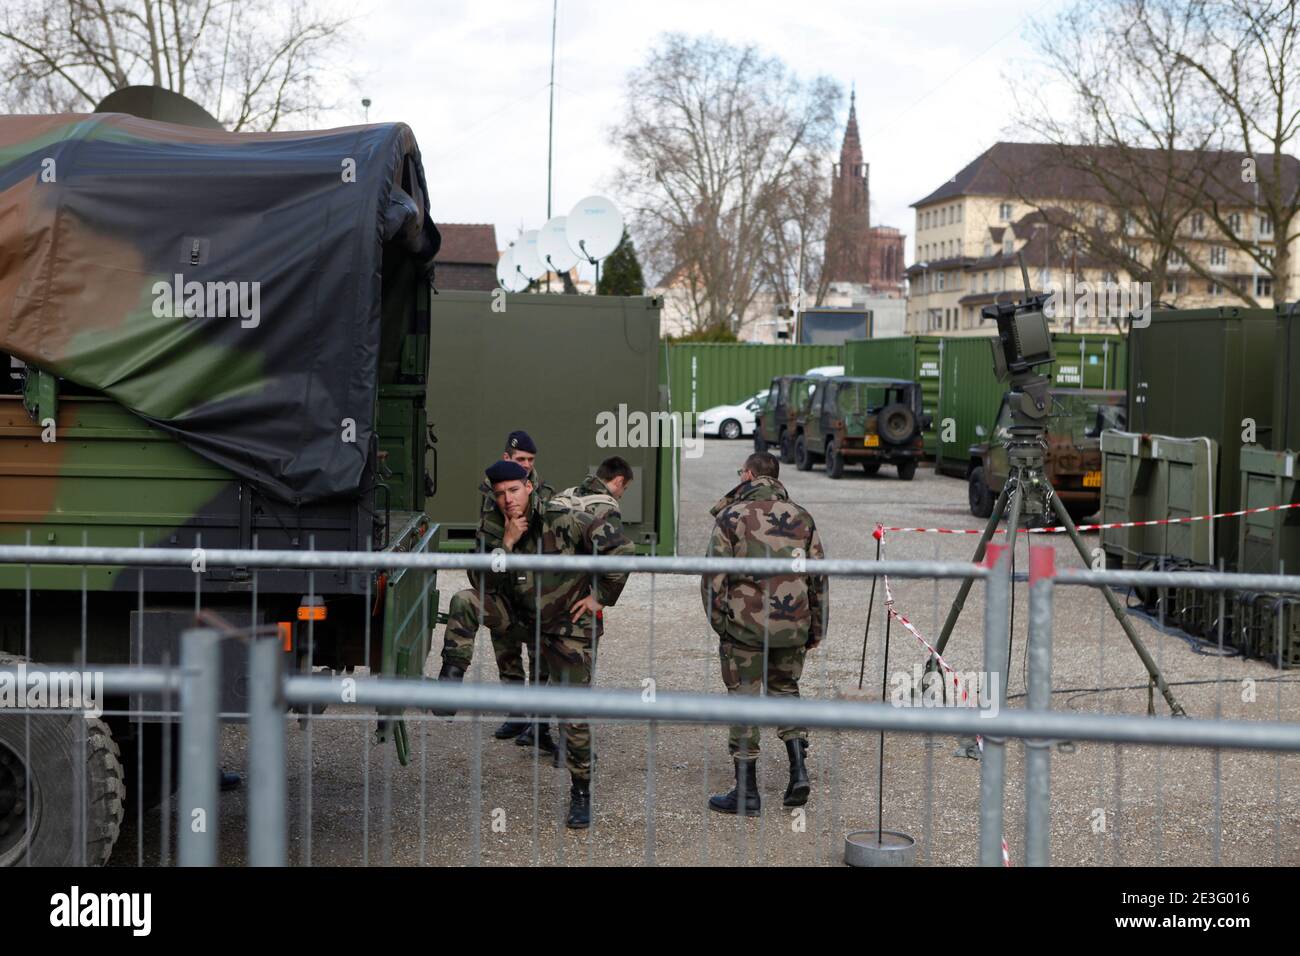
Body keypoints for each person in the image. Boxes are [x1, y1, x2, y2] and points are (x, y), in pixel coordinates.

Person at [440, 459, 634, 828]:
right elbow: (482, 584)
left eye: (513, 490)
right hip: (520, 617)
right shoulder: (494, 527)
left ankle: (581, 791)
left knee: (574, 714)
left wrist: (600, 598)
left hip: (565, 625)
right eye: (500, 494)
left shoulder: (563, 517)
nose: (507, 500)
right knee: (465, 600)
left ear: (529, 486)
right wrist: (506, 545)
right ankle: (451, 678)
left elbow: (621, 553)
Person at [701, 451, 827, 816]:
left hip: (745, 627)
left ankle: (747, 792)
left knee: (744, 699)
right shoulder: (802, 517)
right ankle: (798, 773)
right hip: (793, 625)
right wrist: (815, 627)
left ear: (750, 474)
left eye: (741, 472)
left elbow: (713, 579)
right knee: (786, 691)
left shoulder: (731, 516)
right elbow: (819, 577)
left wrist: (722, 623)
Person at [472, 430, 557, 750]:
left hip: (534, 588)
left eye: (531, 461)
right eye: (520, 460)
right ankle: (517, 712)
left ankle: (538, 721)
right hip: (503, 584)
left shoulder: (542, 493)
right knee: (506, 652)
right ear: (507, 457)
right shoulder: (491, 492)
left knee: (540, 655)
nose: (526, 466)